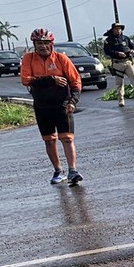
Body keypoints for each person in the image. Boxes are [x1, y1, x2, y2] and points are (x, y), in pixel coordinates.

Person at [21, 28, 84, 186]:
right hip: (42, 106)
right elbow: (26, 79)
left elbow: (75, 81)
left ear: (52, 44)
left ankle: (73, 171)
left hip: (62, 104)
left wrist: (73, 101)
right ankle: (58, 170)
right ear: (34, 45)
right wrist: (51, 79)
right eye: (39, 43)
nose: (43, 46)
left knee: (67, 138)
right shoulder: (28, 58)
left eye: (46, 43)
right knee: (49, 140)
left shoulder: (61, 58)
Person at [103, 21, 134, 107]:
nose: (118, 30)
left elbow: (132, 46)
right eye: (116, 29)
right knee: (119, 82)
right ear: (113, 30)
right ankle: (121, 99)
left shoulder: (126, 38)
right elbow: (107, 51)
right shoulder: (108, 40)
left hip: (127, 61)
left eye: (119, 29)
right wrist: (117, 53)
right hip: (117, 63)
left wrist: (133, 50)